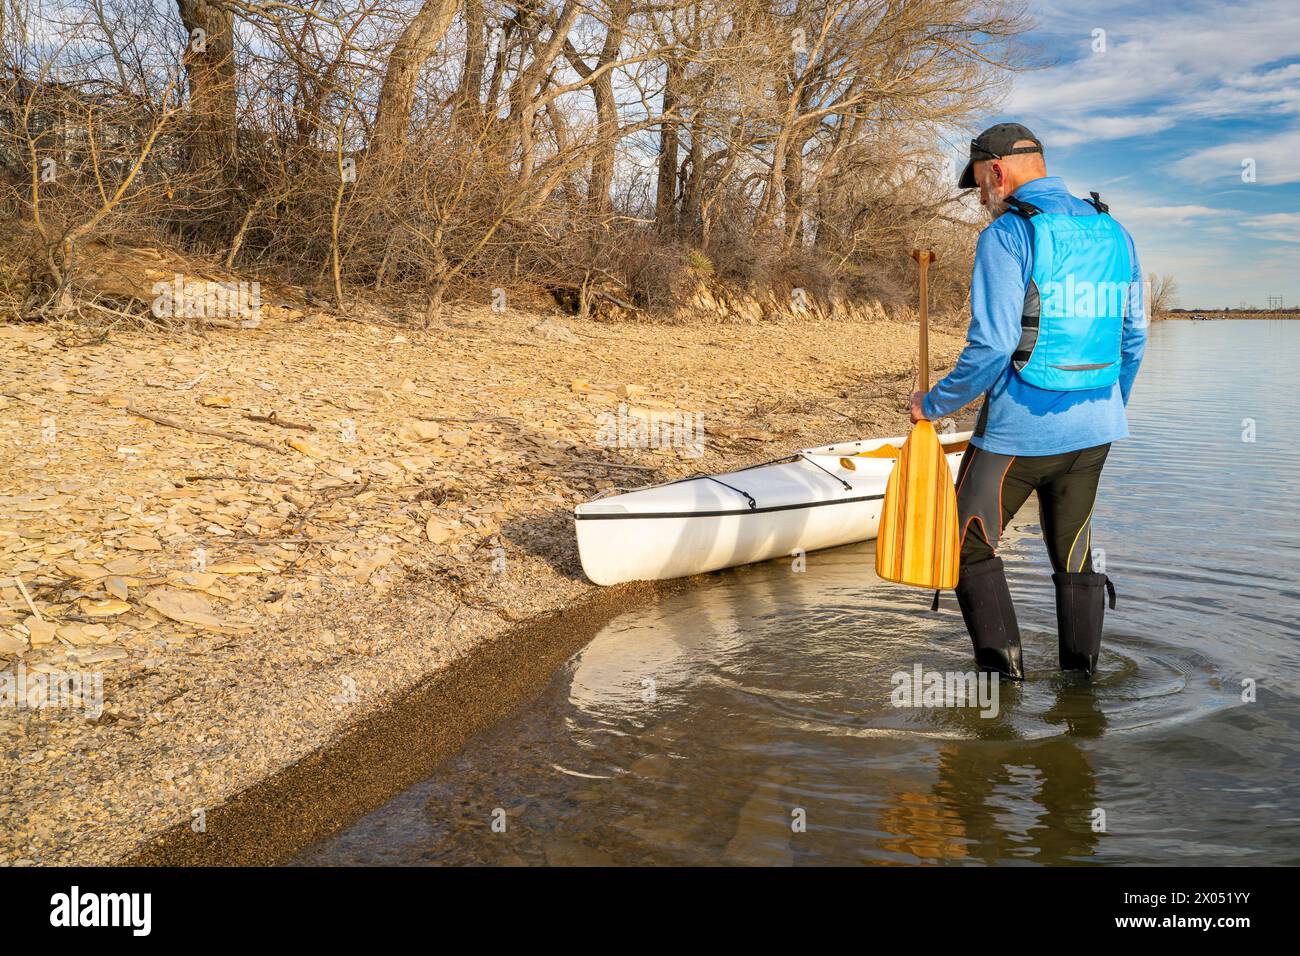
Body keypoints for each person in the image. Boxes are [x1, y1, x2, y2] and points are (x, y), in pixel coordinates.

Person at [911, 123, 1146, 680]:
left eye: (980, 186)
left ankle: (1002, 689)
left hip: (1018, 434)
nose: (983, 201)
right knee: (1074, 555)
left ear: (998, 171)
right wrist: (1111, 407)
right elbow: (1134, 336)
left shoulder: (1008, 235)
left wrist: (934, 404)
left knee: (966, 547)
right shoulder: (1116, 231)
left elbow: (991, 346)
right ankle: (1081, 688)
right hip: (1096, 430)